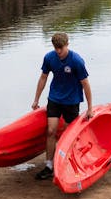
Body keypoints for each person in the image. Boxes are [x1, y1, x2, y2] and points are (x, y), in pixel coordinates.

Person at [31, 32, 92, 181]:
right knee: (51, 130)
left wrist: (90, 108)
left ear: (67, 45)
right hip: (55, 99)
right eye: (56, 48)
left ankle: (67, 163)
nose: (58, 51)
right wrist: (36, 99)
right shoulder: (49, 58)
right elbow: (43, 78)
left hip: (72, 101)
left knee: (68, 133)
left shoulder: (77, 61)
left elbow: (85, 84)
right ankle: (49, 166)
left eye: (61, 48)